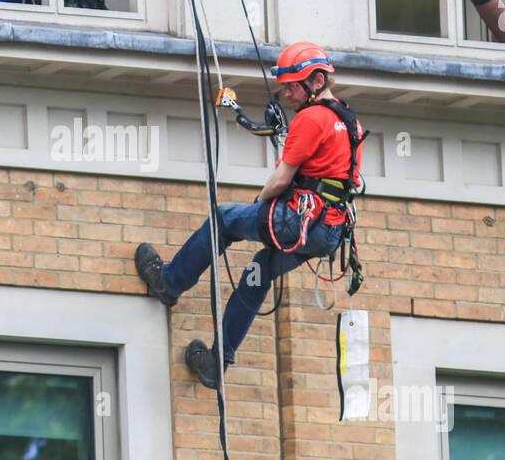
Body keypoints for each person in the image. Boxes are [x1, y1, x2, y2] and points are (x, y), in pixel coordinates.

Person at [133, 43, 363, 390]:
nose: (286, 93)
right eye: (284, 85)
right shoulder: (349, 120)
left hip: (296, 221)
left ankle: (169, 282)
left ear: (317, 80)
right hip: (327, 234)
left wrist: (259, 203)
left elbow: (282, 179)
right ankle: (217, 361)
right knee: (257, 273)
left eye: (292, 85)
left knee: (225, 219)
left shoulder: (311, 119)